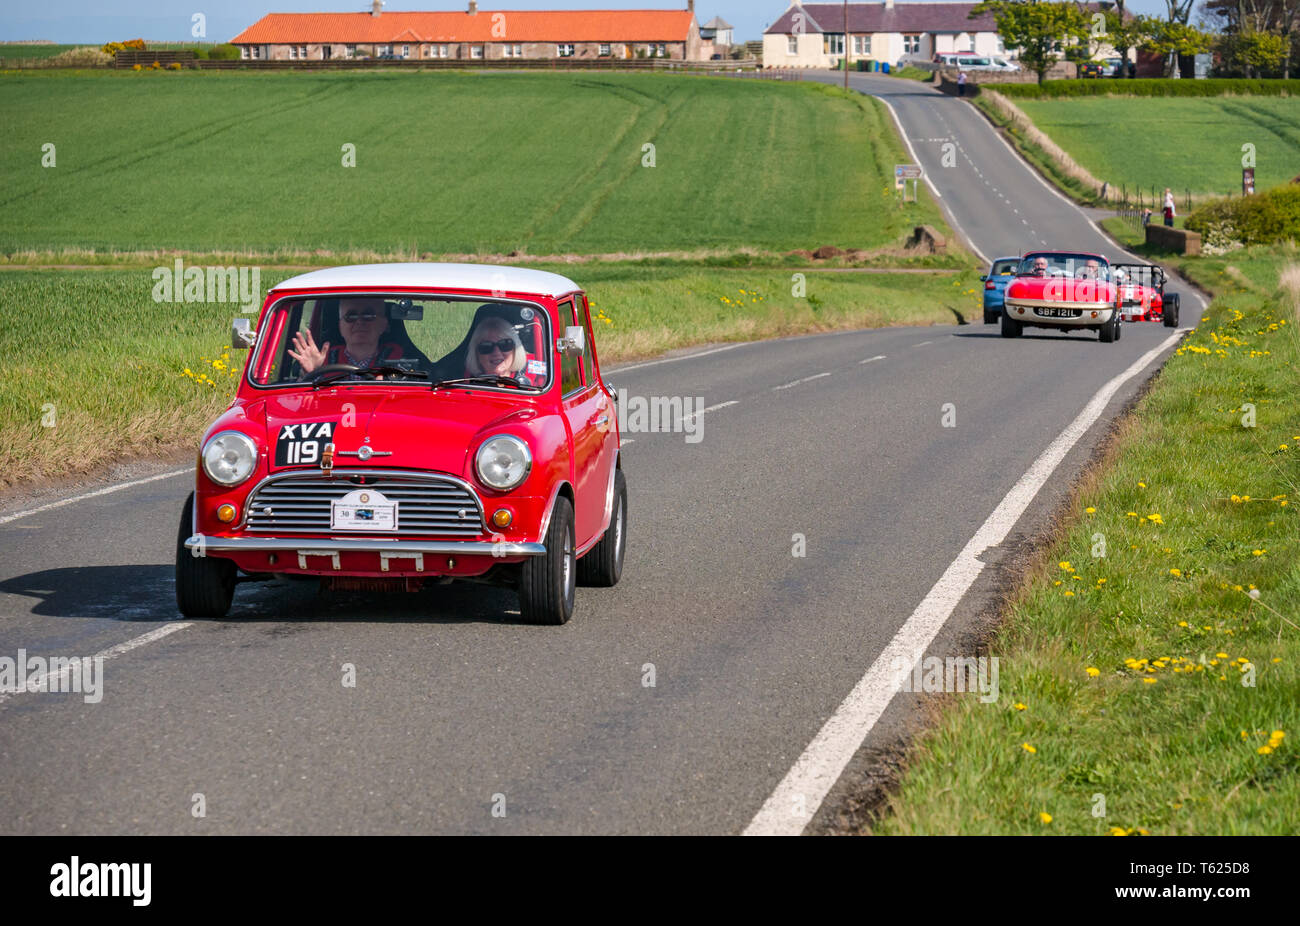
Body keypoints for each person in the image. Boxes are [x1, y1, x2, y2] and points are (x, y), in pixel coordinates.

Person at [288, 297, 404, 377]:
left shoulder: (401, 361)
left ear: (383, 324)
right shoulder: (323, 360)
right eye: (351, 316)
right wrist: (311, 373)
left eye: (368, 315)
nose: (359, 322)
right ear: (340, 326)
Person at [464, 315, 530, 383]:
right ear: (476, 354)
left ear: (515, 349)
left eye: (505, 344)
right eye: (487, 346)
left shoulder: (534, 375)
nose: (497, 352)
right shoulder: (465, 382)